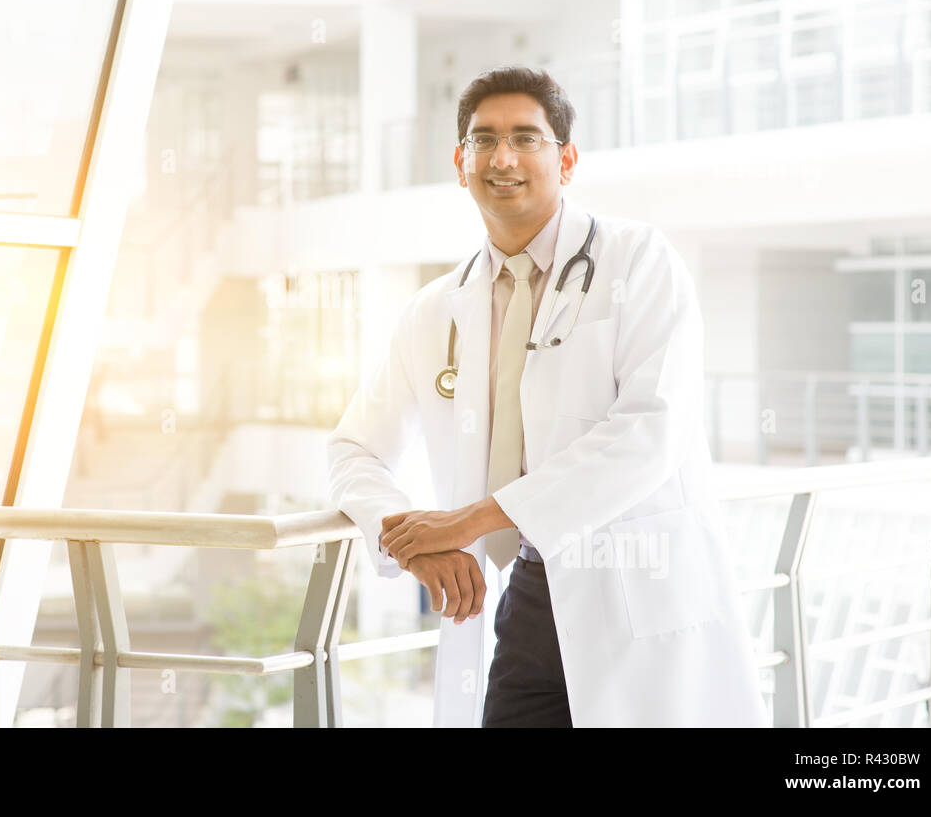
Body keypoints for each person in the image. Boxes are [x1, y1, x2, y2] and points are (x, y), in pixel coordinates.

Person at [327, 66, 768, 727]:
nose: (502, 158)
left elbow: (652, 430)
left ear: (566, 159)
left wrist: (470, 521)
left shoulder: (638, 261)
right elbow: (353, 448)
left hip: (639, 590)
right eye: (484, 140)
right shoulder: (435, 310)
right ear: (460, 163)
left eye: (525, 138)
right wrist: (408, 537)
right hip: (532, 596)